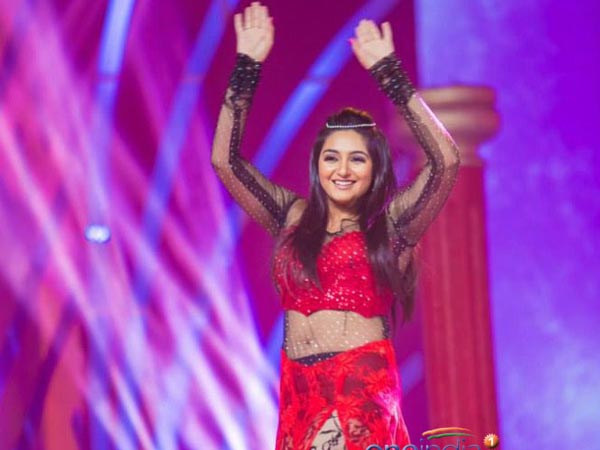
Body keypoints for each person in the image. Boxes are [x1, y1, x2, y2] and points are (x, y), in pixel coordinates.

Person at [211, 2, 460, 449]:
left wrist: (390, 74)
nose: (342, 170)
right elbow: (225, 162)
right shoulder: (290, 216)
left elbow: (446, 161)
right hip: (298, 386)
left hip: (358, 381)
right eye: (331, 157)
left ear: (375, 169)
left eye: (357, 159)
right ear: (317, 166)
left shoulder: (392, 227)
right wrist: (247, 65)